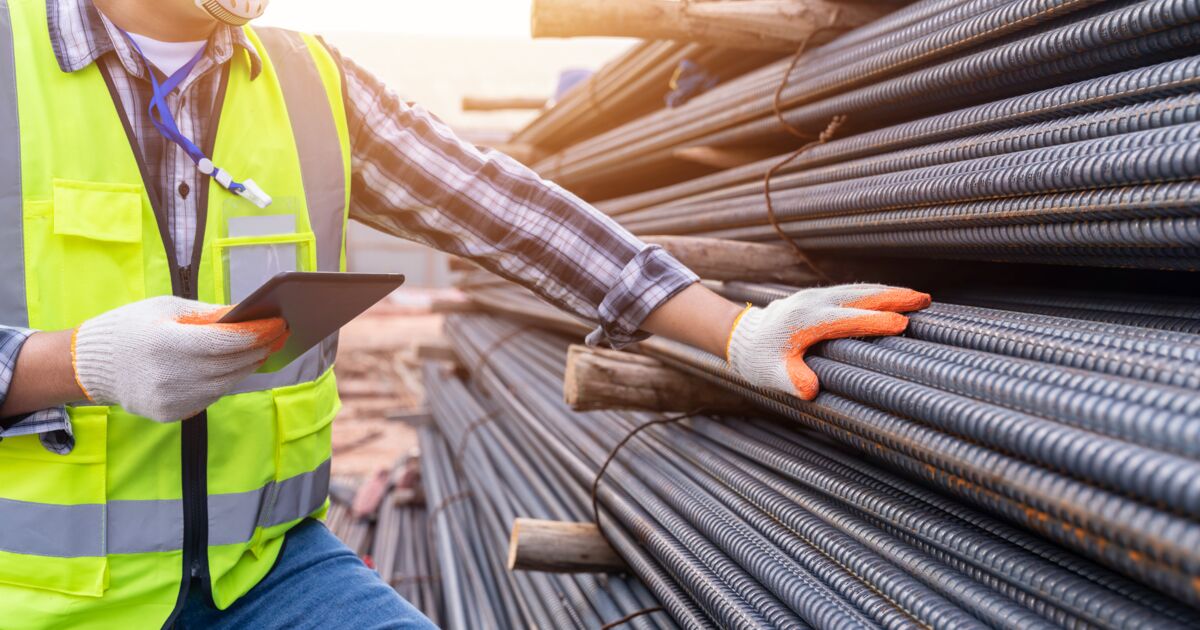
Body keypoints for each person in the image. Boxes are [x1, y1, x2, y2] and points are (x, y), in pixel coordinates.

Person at [0, 0, 930, 627]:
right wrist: (75, 364)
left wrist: (730, 329)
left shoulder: (306, 81)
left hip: (266, 574)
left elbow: (510, 215)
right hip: (39, 598)